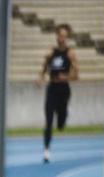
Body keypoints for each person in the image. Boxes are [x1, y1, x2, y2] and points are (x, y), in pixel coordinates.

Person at [37, 23, 79, 164]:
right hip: (52, 88)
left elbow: (76, 75)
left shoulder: (70, 54)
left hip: (64, 90)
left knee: (60, 124)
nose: (61, 38)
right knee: (48, 121)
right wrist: (41, 77)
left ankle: (64, 114)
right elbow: (43, 68)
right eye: (59, 35)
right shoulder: (51, 53)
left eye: (64, 36)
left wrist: (66, 77)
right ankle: (46, 151)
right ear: (56, 36)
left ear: (67, 38)